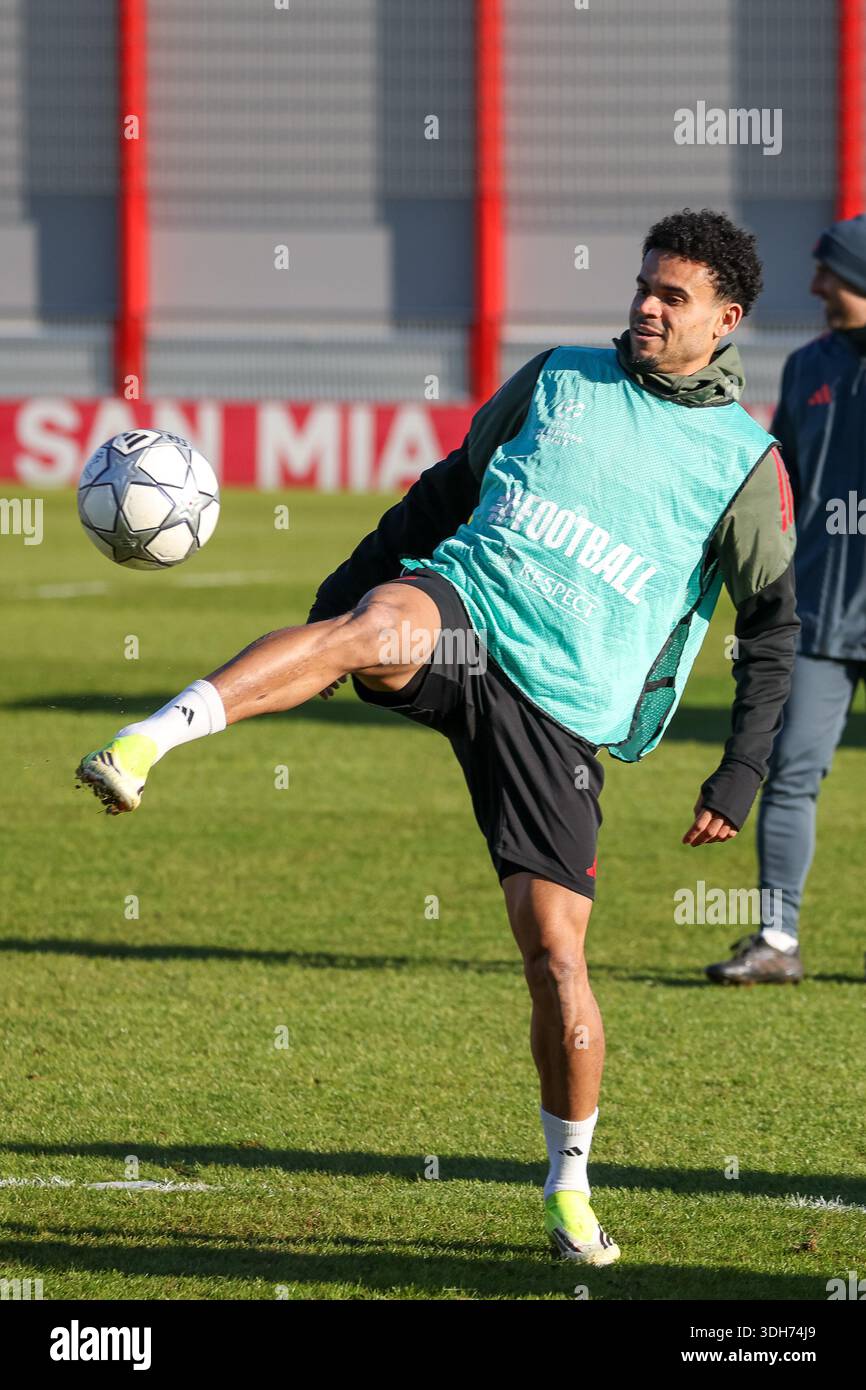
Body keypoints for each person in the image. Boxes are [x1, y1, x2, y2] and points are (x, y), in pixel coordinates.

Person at [76, 208, 799, 1265]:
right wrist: (336, 608)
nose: (643, 306)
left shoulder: (742, 463)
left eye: (670, 297)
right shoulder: (557, 376)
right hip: (464, 615)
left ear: (723, 320)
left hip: (562, 709)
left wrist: (739, 770)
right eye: (641, 285)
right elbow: (446, 490)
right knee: (373, 626)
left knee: (555, 959)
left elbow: (773, 628)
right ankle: (144, 742)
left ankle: (568, 1188)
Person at [707, 213, 866, 985]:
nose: (815, 287)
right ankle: (776, 941)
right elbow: (783, 488)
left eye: (829, 275)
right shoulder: (808, 367)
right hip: (821, 621)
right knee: (791, 773)